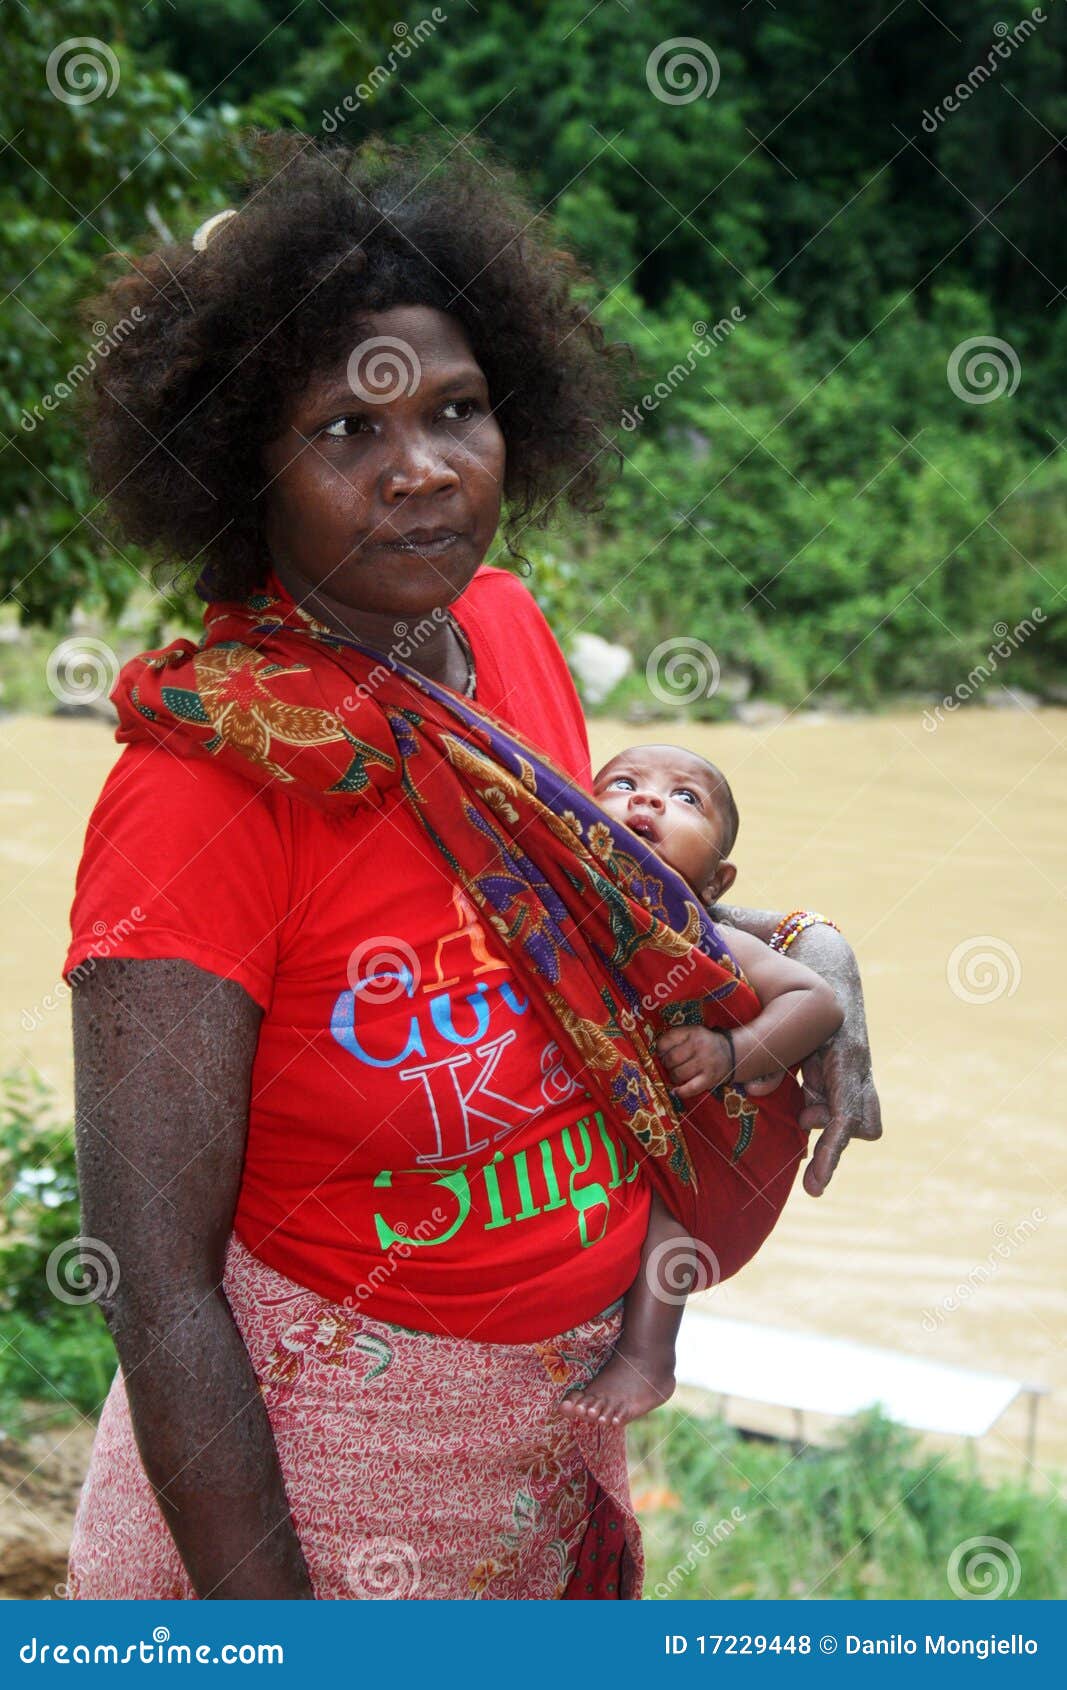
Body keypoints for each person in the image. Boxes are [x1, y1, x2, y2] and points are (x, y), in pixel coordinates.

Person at [61, 132, 881, 1603]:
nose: (422, 470)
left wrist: (802, 945)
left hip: (549, 1432)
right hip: (297, 1481)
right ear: (241, 465)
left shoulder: (499, 634)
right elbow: (152, 1280)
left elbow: (580, 913)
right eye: (346, 432)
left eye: (456, 409)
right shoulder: (201, 792)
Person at [560, 745, 844, 1428]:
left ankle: (648, 1355)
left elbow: (817, 1002)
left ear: (716, 880)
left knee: (669, 1208)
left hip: (679, 1131)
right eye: (621, 785)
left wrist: (730, 1052)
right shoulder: (550, 909)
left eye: (684, 798)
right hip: (576, 1126)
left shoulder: (707, 936)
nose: (648, 800)